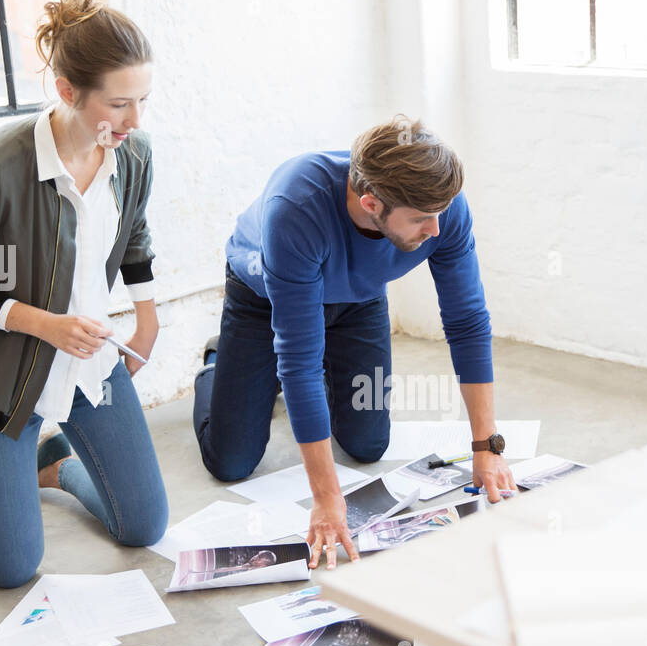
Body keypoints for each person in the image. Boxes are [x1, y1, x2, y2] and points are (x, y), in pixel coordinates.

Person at [0, 0, 166, 588]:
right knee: (10, 568)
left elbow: (132, 232)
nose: (133, 121)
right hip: (1, 377)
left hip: (87, 363)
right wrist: (45, 324)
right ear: (67, 92)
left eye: (142, 101)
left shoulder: (132, 155)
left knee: (145, 526)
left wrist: (147, 314)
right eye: (117, 105)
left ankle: (54, 468)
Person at [194, 116, 516, 571]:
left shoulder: (440, 204)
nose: (437, 229)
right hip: (266, 299)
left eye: (440, 213)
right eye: (422, 219)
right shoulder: (297, 207)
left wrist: (487, 446)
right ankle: (216, 363)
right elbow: (300, 364)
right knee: (231, 460)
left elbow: (467, 321)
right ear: (371, 203)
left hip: (356, 300)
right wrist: (327, 501)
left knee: (367, 443)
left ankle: (311, 372)